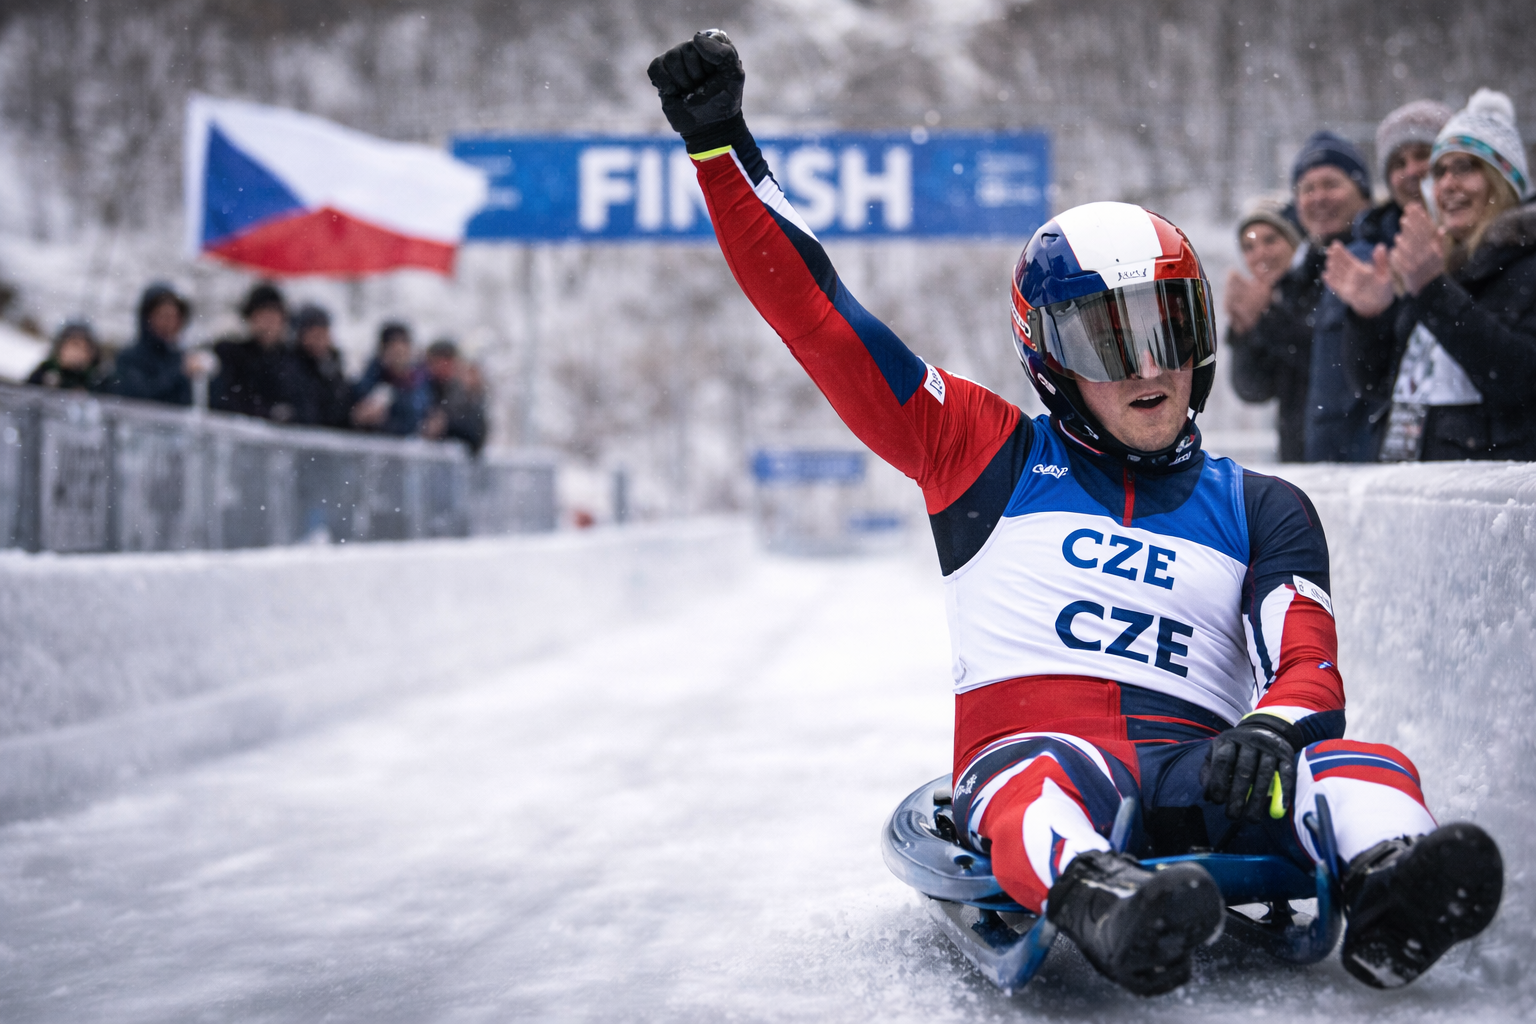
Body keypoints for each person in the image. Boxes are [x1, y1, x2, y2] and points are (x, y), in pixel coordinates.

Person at [649, 30, 1503, 996]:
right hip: (1042, 759)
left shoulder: (1264, 506)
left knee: (1360, 763)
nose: (1149, 367)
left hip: (1201, 773)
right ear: (1051, 364)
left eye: (1167, 329)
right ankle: (1101, 895)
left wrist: (1270, 733)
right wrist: (722, 150)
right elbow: (818, 316)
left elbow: (1308, 666)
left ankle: (1394, 885)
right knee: (1037, 778)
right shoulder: (979, 454)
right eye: (1109, 341)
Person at [1325, 88, 1535, 460]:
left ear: (1503, 179)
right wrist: (1370, 317)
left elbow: (1521, 379)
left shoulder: (1524, 266)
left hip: (1491, 502)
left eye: (1466, 167)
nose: (1448, 184)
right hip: (1415, 490)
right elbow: (1374, 384)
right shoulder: (1439, 267)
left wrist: (1434, 292)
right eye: (1440, 171)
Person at [1305, 101, 1452, 461]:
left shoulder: (1478, 247)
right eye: (1398, 163)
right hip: (1359, 461)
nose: (1412, 171)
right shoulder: (1362, 256)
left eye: (1424, 155)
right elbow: (1358, 378)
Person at [1228, 131, 1372, 461]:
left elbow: (1336, 361)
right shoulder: (1298, 283)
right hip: (1303, 464)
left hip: (1362, 462)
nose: (1319, 197)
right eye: (1308, 189)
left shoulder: (1373, 260)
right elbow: (1254, 388)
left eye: (1331, 184)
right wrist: (1244, 329)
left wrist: (1266, 319)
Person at [104, 283, 198, 406]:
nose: (170, 323)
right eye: (164, 316)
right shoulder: (129, 357)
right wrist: (179, 373)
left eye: (175, 317)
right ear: (147, 317)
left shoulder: (182, 357)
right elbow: (138, 397)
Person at [211, 282, 293, 421]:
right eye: (262, 315)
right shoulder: (232, 354)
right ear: (250, 318)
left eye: (273, 316)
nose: (268, 323)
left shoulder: (294, 362)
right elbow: (226, 398)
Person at [277, 304, 352, 429]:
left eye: (323, 333)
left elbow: (340, 410)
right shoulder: (287, 367)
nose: (320, 340)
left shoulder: (333, 370)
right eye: (314, 334)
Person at [350, 321, 427, 436]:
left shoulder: (421, 382)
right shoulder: (367, 384)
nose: (400, 358)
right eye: (396, 352)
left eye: (403, 352)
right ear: (383, 351)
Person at [420, 339, 488, 453]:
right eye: (438, 360)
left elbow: (476, 434)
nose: (442, 366)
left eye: (447, 360)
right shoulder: (419, 387)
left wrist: (446, 426)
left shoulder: (464, 394)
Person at [27, 319, 107, 391]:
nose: (77, 352)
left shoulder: (99, 381)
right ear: (59, 348)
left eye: (84, 348)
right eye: (73, 345)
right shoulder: (42, 374)